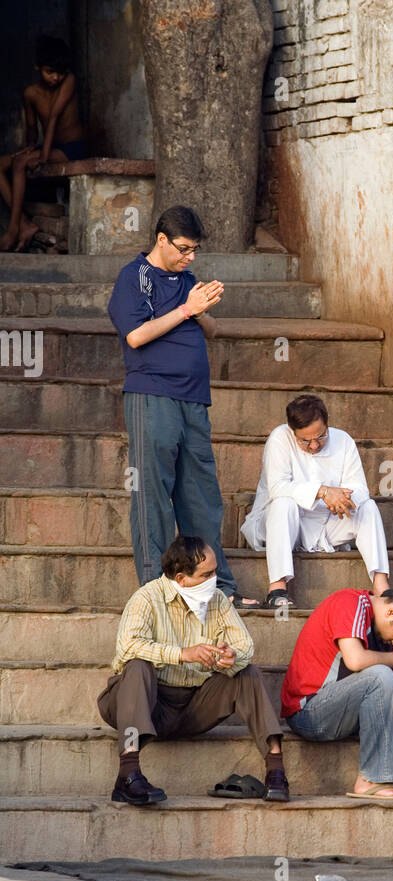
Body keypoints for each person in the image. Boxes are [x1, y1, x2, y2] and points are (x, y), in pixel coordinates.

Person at [107, 204, 256, 607]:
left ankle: (216, 586)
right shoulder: (135, 277)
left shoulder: (186, 278)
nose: (191, 257)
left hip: (193, 398)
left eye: (195, 250)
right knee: (152, 493)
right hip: (152, 393)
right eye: (185, 248)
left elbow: (211, 329)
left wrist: (201, 310)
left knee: (201, 493)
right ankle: (156, 592)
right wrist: (185, 310)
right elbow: (136, 336)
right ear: (161, 240)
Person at [96, 535, 288, 805]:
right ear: (182, 578)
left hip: (193, 707)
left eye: (215, 572)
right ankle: (128, 774)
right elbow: (128, 648)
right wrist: (182, 655)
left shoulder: (218, 600)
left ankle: (276, 769)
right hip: (146, 703)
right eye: (206, 574)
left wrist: (231, 656)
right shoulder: (147, 598)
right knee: (137, 667)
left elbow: (245, 646)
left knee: (248, 673)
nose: (214, 579)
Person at [281, 586, 393, 800]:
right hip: (310, 712)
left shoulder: (385, 628)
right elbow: (356, 660)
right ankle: (372, 779)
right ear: (392, 613)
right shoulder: (350, 603)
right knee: (380, 675)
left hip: (349, 711)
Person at [240, 394, 389, 610]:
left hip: (328, 524)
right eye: (305, 440)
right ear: (293, 432)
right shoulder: (279, 438)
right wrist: (323, 492)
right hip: (283, 523)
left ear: (327, 425)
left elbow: (360, 489)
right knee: (284, 502)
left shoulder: (343, 440)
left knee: (368, 507)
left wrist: (341, 498)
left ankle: (381, 585)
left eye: (320, 437)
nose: (314, 445)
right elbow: (278, 487)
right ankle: (278, 588)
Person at [0, 36, 87, 252]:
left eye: (60, 72)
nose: (55, 77)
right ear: (38, 67)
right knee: (3, 164)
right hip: (50, 145)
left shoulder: (69, 81)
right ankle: (23, 224)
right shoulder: (30, 93)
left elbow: (54, 116)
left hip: (72, 148)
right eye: (50, 72)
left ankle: (12, 231)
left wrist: (43, 156)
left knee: (20, 164)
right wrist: (30, 147)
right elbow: (32, 127)